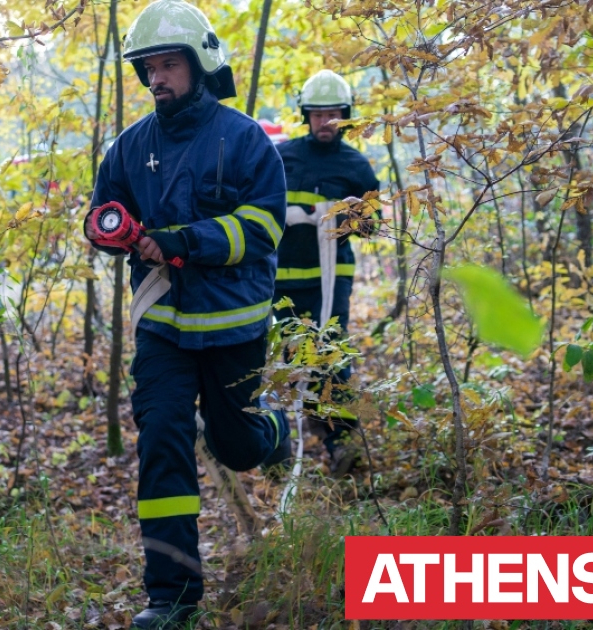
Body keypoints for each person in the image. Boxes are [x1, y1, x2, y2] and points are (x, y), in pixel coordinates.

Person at [82, 1, 288, 626]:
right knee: (163, 445)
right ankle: (171, 596)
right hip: (162, 331)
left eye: (169, 65)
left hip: (234, 326)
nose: (157, 79)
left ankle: (270, 434)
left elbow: (263, 226)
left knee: (236, 447)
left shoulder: (245, 139)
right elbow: (102, 214)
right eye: (149, 68)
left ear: (201, 67)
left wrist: (184, 241)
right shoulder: (127, 147)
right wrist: (107, 231)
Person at [272, 70, 380, 475]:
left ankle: (342, 445)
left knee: (331, 355)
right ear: (306, 116)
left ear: (345, 116)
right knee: (286, 358)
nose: (325, 122)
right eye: (318, 115)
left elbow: (373, 225)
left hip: (331, 280)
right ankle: (279, 448)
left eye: (333, 114)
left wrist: (354, 214)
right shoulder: (281, 157)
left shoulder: (356, 165)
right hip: (282, 280)